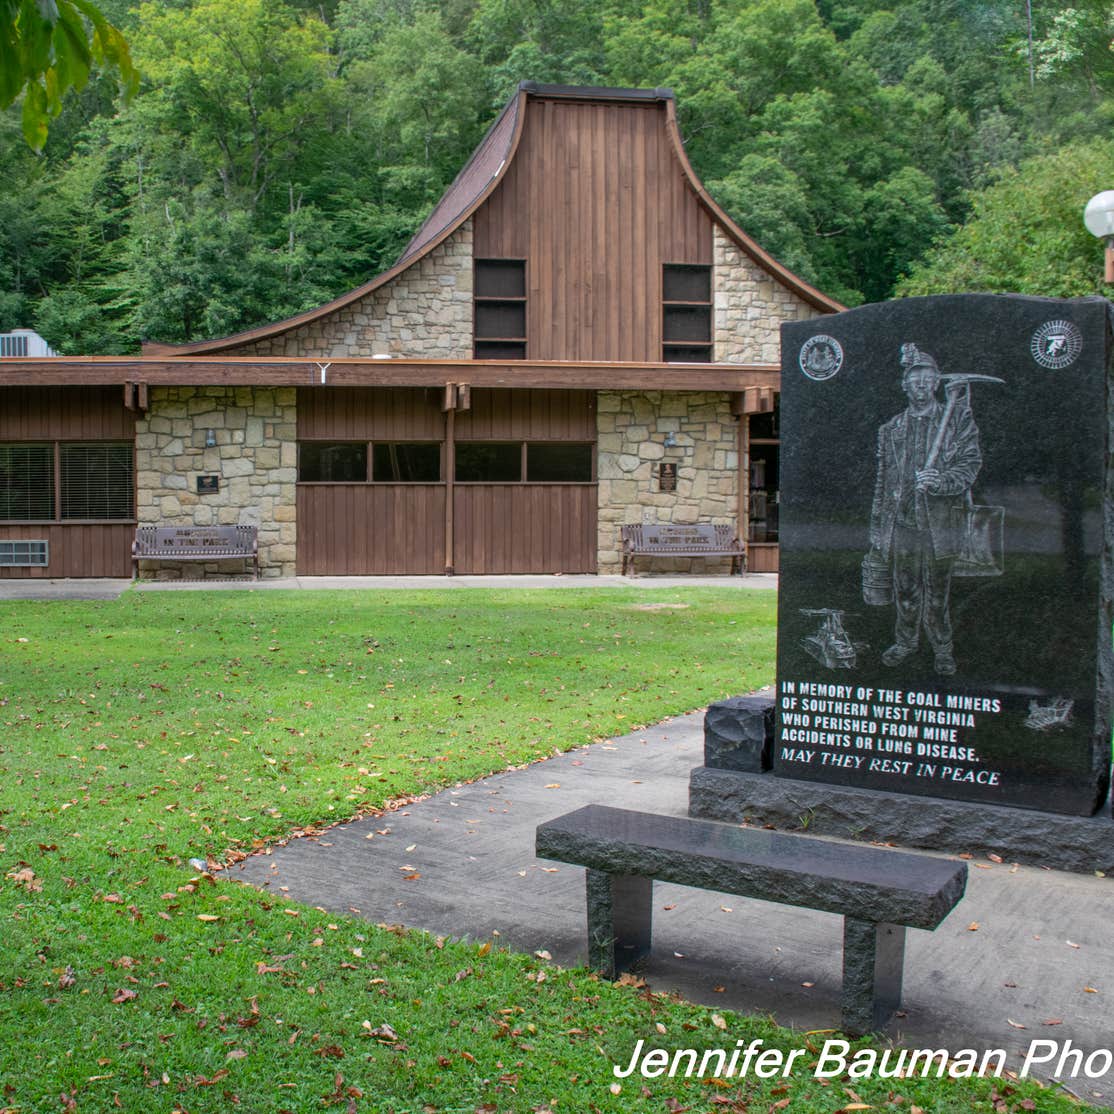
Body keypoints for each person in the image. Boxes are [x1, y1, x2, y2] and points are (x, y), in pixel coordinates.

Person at [867, 344, 982, 676]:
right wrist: (878, 526)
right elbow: (883, 480)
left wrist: (942, 480)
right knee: (905, 590)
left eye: (927, 378)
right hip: (903, 522)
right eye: (914, 378)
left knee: (937, 594)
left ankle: (943, 649)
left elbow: (970, 463)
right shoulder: (891, 429)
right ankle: (905, 642)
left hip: (940, 523)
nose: (921, 384)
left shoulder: (956, 419)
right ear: (904, 385)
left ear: (936, 383)